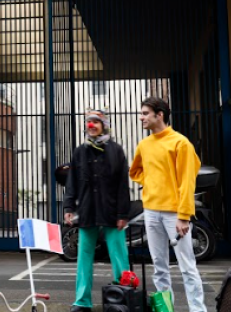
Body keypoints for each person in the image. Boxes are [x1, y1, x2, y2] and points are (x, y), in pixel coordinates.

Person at [129, 97, 205, 312]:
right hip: (151, 212)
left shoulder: (180, 143)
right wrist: (152, 181)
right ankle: (166, 309)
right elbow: (135, 171)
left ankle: (198, 310)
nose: (141, 117)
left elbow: (187, 182)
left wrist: (184, 215)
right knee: (159, 267)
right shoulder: (144, 145)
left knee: (187, 266)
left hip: (175, 214)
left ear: (159, 114)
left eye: (145, 113)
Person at [64, 110, 132, 312]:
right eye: (88, 122)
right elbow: (72, 182)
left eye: (96, 122)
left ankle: (123, 296)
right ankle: (82, 302)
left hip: (112, 212)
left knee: (119, 255)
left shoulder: (116, 150)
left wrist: (122, 214)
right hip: (87, 211)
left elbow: (122, 185)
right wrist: (69, 207)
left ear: (104, 125)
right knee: (84, 257)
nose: (91, 125)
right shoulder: (79, 152)